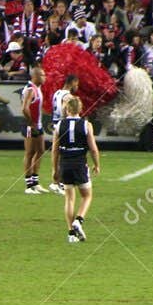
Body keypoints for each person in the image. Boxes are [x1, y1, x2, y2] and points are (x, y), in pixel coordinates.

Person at [52, 95, 99, 243]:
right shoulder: (86, 125)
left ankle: (71, 234)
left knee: (69, 198)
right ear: (80, 109)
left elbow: (54, 150)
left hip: (65, 164)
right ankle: (79, 220)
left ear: (67, 109)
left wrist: (54, 169)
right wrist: (97, 164)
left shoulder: (59, 125)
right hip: (79, 164)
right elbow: (93, 149)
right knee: (87, 196)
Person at [47, 73, 79, 193]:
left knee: (56, 153)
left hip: (55, 125)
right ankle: (61, 183)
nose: (77, 86)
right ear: (73, 82)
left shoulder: (57, 93)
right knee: (64, 155)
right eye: (77, 83)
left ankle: (55, 181)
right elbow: (66, 110)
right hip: (63, 126)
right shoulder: (68, 96)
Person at [21, 65, 47, 193]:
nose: (45, 77)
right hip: (30, 126)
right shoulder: (30, 89)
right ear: (35, 76)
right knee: (30, 153)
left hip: (38, 124)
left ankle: (35, 181)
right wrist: (31, 123)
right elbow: (24, 108)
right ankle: (29, 185)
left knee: (41, 150)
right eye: (42, 75)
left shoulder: (37, 88)